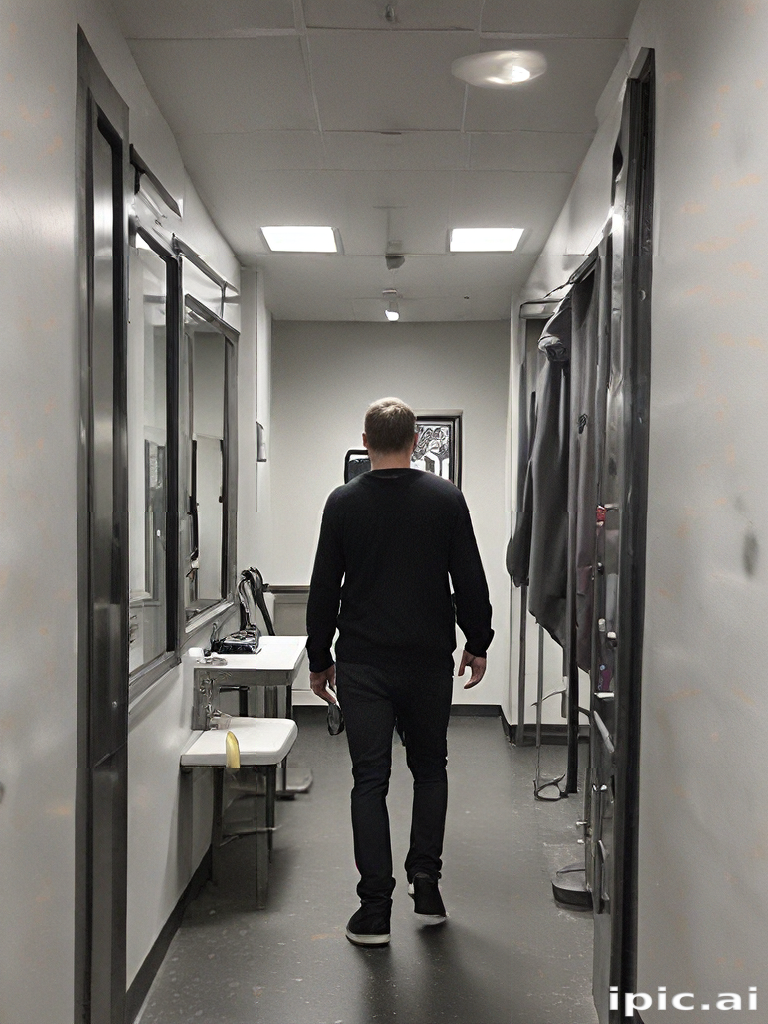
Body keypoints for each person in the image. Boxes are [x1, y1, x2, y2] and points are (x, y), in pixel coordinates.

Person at [306, 397, 494, 947]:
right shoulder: (446, 498)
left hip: (363, 664)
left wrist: (320, 658)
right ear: (415, 442)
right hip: (427, 661)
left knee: (370, 780)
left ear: (366, 443)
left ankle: (374, 911)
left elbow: (324, 586)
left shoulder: (342, 502)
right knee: (430, 770)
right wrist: (477, 641)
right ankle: (427, 884)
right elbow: (470, 577)